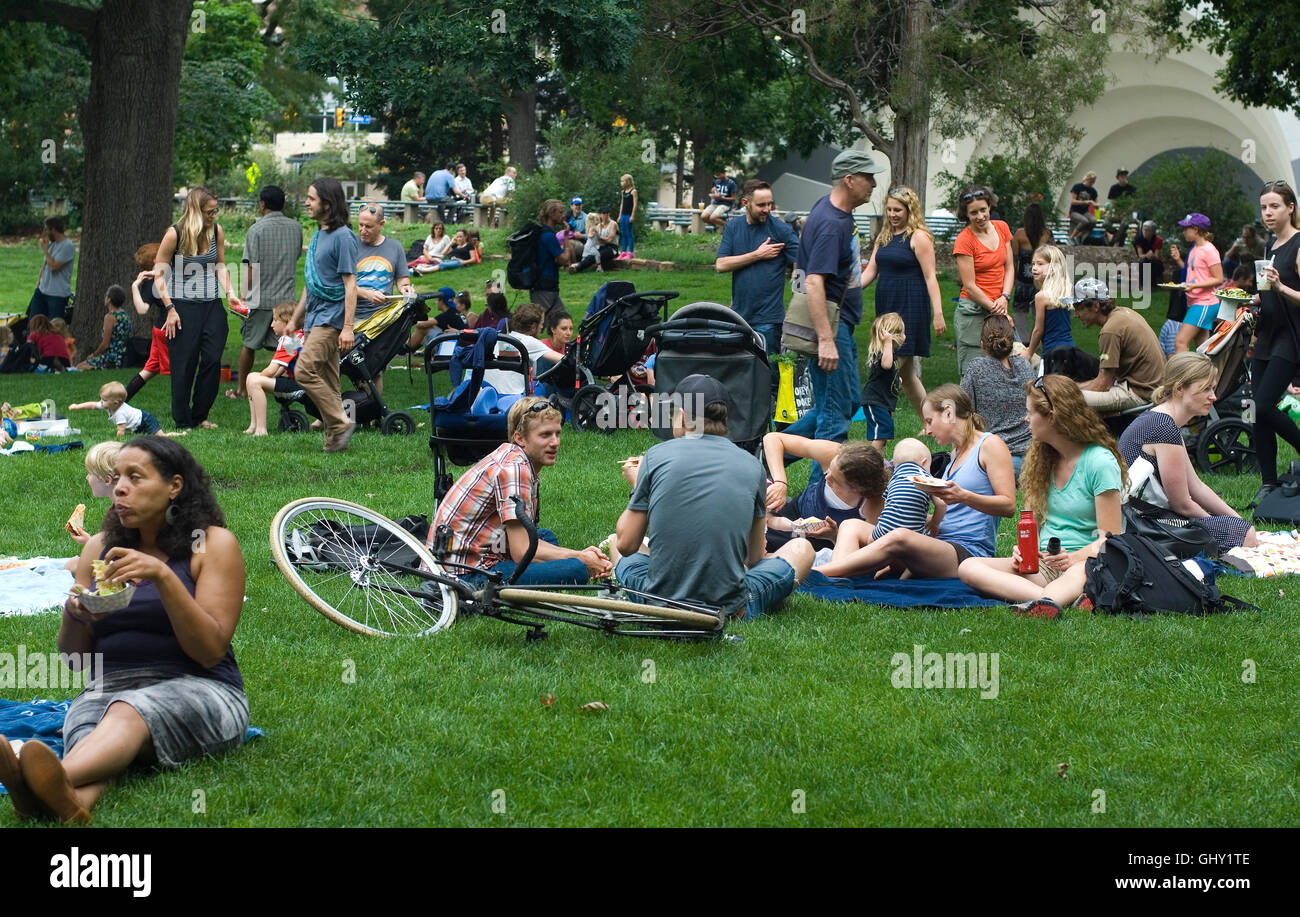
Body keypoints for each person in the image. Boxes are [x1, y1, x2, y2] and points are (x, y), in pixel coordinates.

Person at [0, 439, 248, 824]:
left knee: (125, 713)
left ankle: (31, 782)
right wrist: (76, 614)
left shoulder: (212, 544)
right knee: (95, 736)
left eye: (135, 477)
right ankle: (65, 803)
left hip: (202, 688)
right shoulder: (99, 548)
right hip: (108, 687)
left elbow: (209, 650)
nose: (119, 488)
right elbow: (75, 661)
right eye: (116, 477)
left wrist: (163, 577)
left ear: (174, 486)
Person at [612, 375, 814, 620]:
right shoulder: (753, 466)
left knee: (614, 542)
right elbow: (753, 557)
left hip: (659, 605)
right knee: (802, 549)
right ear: (725, 419)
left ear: (683, 416)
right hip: (729, 608)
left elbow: (626, 545)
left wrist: (638, 486)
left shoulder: (656, 457)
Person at [958, 375, 1125, 618]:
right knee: (968, 567)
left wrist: (1072, 558)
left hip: (1086, 563)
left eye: (1030, 412)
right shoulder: (1042, 460)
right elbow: (1031, 526)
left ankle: (1046, 599)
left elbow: (1110, 540)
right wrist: (1023, 552)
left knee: (1079, 573)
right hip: (1045, 566)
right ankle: (1049, 599)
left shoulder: (1099, 462)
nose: (1025, 419)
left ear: (1052, 416)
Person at [815, 384, 1017, 580]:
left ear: (948, 413)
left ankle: (819, 573)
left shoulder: (990, 445)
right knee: (851, 525)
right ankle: (834, 582)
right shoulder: (955, 455)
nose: (927, 430)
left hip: (967, 552)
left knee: (900, 536)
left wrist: (963, 496)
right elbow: (952, 516)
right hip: (935, 544)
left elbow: (1008, 506)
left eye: (929, 421)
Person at [429, 397, 611, 585]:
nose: (555, 442)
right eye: (545, 435)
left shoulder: (515, 458)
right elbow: (522, 551)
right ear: (519, 438)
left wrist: (575, 555)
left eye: (557, 433)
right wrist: (580, 557)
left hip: (468, 555)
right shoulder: (514, 470)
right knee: (576, 569)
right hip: (463, 574)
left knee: (545, 537)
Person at [781, 149, 880, 480]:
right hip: (832, 328)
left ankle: (770, 453)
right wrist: (825, 339)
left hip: (841, 325)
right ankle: (818, 496)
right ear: (849, 180)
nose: (874, 184)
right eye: (868, 177)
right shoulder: (830, 224)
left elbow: (802, 268)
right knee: (835, 417)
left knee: (846, 403)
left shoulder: (833, 212)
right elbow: (812, 281)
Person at [1119, 352, 1258, 551]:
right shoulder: (1163, 427)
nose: (1213, 396)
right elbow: (1182, 504)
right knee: (1244, 535)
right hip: (1144, 527)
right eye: (1206, 389)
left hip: (1139, 521)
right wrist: (1218, 527)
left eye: (1213, 388)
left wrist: (1236, 520)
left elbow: (1197, 487)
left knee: (1243, 529)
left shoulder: (1163, 421)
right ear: (1179, 389)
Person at [154, 187, 245, 430]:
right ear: (195, 210)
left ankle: (200, 415)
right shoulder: (174, 234)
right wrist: (170, 308)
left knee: (213, 359)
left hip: (211, 305)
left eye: (215, 211)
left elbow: (219, 265)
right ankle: (183, 420)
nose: (214, 215)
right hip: (181, 306)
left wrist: (230, 293)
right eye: (209, 212)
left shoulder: (216, 231)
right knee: (183, 365)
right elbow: (159, 274)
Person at [288, 177, 359, 454]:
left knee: (304, 370)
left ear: (327, 204)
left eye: (311, 198)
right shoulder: (319, 235)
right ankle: (335, 441)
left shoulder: (343, 237)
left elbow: (350, 284)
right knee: (329, 380)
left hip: (332, 317)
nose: (306, 202)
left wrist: (348, 327)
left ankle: (340, 422)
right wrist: (295, 319)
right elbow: (312, 283)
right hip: (315, 316)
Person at [861, 185, 944, 414]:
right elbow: (870, 272)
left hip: (910, 307)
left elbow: (931, 277)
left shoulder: (919, 237)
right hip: (886, 308)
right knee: (907, 376)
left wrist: (938, 313)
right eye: (889, 209)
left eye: (897, 210)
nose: (892, 214)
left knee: (888, 367)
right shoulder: (884, 237)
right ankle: (929, 422)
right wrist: (846, 290)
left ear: (910, 210)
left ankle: (879, 417)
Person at [1251, 180, 1300, 505]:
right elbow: (1267, 289)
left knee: (1266, 404)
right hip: (1267, 334)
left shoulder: (1298, 244)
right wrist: (1251, 299)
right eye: (1264, 207)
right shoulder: (1271, 244)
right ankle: (1268, 482)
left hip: (1290, 337)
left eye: (1274, 206)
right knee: (1255, 411)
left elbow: (1286, 290)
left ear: (1290, 207)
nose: (1267, 213)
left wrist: (1281, 288)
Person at [762, 432, 887, 553]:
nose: (827, 478)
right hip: (797, 512)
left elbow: (866, 554)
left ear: (857, 488)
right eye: (829, 470)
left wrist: (833, 536)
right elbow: (773, 438)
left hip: (826, 543)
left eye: (835, 480)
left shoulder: (874, 505)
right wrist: (780, 482)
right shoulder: (837, 455)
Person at [714, 179, 800, 356]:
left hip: (769, 319)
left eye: (770, 204)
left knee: (768, 369)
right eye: (761, 205)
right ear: (746, 203)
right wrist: (757, 255)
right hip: (738, 316)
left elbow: (805, 263)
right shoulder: (733, 227)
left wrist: (799, 298)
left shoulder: (781, 230)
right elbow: (721, 265)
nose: (767, 209)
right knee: (738, 367)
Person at [236, 185, 302, 399]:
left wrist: (243, 295)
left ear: (262, 204)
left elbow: (251, 267)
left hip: (259, 298)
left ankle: (243, 389)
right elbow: (296, 257)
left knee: (249, 344)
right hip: (286, 299)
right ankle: (293, 386)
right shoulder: (296, 228)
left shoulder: (256, 230)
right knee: (288, 346)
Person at [1067, 278, 1164, 414]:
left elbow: (1103, 385)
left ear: (1095, 306)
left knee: (1064, 399)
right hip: (1155, 389)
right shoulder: (1123, 312)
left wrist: (1069, 388)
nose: (1076, 315)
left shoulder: (1110, 331)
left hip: (1141, 394)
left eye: (1079, 308)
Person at [961, 314, 1035, 476]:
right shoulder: (1025, 365)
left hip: (996, 459)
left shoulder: (976, 368)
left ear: (982, 344)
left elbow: (962, 411)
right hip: (1033, 459)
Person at [952, 185, 1014, 375]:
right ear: (966, 214)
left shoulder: (1002, 227)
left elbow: (1009, 267)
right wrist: (997, 310)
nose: (980, 216)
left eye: (983, 210)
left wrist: (1005, 297)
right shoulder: (964, 240)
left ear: (990, 207)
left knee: (1007, 367)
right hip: (974, 311)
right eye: (973, 213)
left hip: (999, 306)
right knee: (974, 372)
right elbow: (969, 286)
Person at [243, 302, 302, 436]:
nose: (271, 325)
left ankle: (261, 429)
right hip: (303, 383)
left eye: (275, 320)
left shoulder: (288, 339)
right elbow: (281, 368)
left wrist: (255, 380)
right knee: (252, 377)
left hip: (298, 386)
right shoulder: (298, 336)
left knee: (254, 380)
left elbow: (270, 371)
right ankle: (253, 426)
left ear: (287, 322)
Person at [1171, 212, 1224, 353]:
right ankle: (1208, 368)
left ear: (1195, 230)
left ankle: (1183, 369)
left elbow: (1219, 278)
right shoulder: (1195, 249)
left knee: (1180, 342)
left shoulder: (1209, 250)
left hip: (1204, 303)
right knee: (1202, 349)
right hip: (1194, 302)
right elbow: (1193, 273)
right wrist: (1178, 260)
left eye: (1186, 228)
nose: (1183, 232)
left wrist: (1194, 286)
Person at [123, 245, 169, 403]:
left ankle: (120, 402)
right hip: (169, 330)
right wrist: (134, 286)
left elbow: (142, 309)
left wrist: (135, 287)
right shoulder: (163, 278)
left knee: (149, 370)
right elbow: (142, 310)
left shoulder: (150, 282)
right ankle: (185, 409)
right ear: (156, 260)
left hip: (159, 330)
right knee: (181, 368)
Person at [354, 203, 413, 322]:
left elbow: (402, 279)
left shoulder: (395, 247)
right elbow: (340, 286)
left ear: (381, 224)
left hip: (383, 315)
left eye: (368, 226)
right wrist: (367, 294)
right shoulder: (349, 245)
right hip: (353, 314)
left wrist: (405, 288)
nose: (363, 230)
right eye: (360, 225)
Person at [66, 441, 124, 552]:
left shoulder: (123, 516)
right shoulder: (116, 509)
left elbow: (115, 554)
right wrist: (90, 541)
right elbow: (110, 546)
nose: (87, 477)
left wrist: (91, 543)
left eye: (90, 473)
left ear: (107, 480)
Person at [860, 312, 905, 451]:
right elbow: (886, 365)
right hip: (875, 401)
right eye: (902, 333)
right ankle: (870, 460)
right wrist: (888, 343)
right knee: (881, 433)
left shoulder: (890, 354)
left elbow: (889, 370)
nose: (904, 336)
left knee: (883, 435)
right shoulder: (883, 353)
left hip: (883, 402)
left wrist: (896, 378)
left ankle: (878, 460)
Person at [1011, 203, 1054, 343]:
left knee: (1019, 311)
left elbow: (1014, 259)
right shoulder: (1047, 235)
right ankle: (1036, 341)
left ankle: (1023, 340)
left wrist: (1013, 279)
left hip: (1023, 280)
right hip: (1042, 281)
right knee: (1039, 311)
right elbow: (1055, 257)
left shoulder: (1019, 234)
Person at [1025, 244, 1074, 363]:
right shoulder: (1067, 291)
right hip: (1070, 349)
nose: (1034, 268)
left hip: (1052, 353)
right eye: (1033, 264)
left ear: (1054, 267)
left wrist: (1029, 352)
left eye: (1040, 264)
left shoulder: (1041, 296)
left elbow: (1038, 330)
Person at [70, 381, 162, 436]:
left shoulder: (120, 413)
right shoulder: (108, 405)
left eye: (104, 400)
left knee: (159, 435)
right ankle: (135, 430)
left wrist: (119, 438)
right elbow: (92, 405)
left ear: (115, 403)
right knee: (141, 435)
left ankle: (168, 435)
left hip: (145, 420)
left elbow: (121, 429)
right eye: (101, 398)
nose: (101, 401)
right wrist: (77, 406)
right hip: (137, 424)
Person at [28, 216, 76, 321]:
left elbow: (53, 267)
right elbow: (44, 266)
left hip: (57, 295)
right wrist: (37, 287)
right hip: (42, 291)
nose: (44, 233)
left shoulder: (67, 246)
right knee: (34, 323)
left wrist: (45, 250)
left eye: (46, 229)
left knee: (53, 326)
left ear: (53, 229)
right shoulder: (52, 245)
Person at [76, 285, 132, 370]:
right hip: (124, 356)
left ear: (109, 299)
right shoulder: (125, 315)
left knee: (79, 366)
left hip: (112, 357)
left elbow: (105, 344)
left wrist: (94, 354)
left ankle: (99, 368)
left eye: (106, 296)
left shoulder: (110, 317)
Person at [533, 199, 570, 319]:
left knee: (560, 322)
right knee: (540, 323)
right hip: (544, 288)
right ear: (551, 214)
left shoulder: (545, 233)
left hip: (547, 286)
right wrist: (566, 237)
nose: (563, 215)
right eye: (560, 212)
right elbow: (564, 259)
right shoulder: (548, 236)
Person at [1104, 168, 1137, 245]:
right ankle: (1119, 235)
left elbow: (1134, 204)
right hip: (1116, 211)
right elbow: (1112, 202)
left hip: (1128, 213)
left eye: (1125, 175)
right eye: (1121, 175)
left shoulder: (1132, 188)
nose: (1123, 177)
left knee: (1124, 223)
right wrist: (1113, 212)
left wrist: (1126, 212)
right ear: (1117, 177)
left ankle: (1113, 242)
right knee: (1106, 223)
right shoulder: (1113, 188)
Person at [1067, 171, 1099, 244]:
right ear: (1086, 179)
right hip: (1075, 211)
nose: (1091, 184)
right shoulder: (1077, 187)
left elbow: (1097, 203)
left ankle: (1078, 236)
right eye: (1090, 181)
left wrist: (1095, 205)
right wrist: (1085, 202)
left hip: (1085, 212)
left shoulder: (1093, 191)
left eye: (1093, 182)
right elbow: (1073, 201)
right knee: (1084, 221)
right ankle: (1071, 237)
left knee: (1093, 221)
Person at [616, 173, 638, 259]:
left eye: (623, 181)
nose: (621, 183)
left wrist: (632, 216)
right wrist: (619, 215)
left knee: (629, 233)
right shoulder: (623, 192)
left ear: (628, 182)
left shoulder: (633, 191)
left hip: (629, 215)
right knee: (623, 233)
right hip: (623, 215)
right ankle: (623, 251)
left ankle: (630, 252)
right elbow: (622, 204)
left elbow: (635, 204)